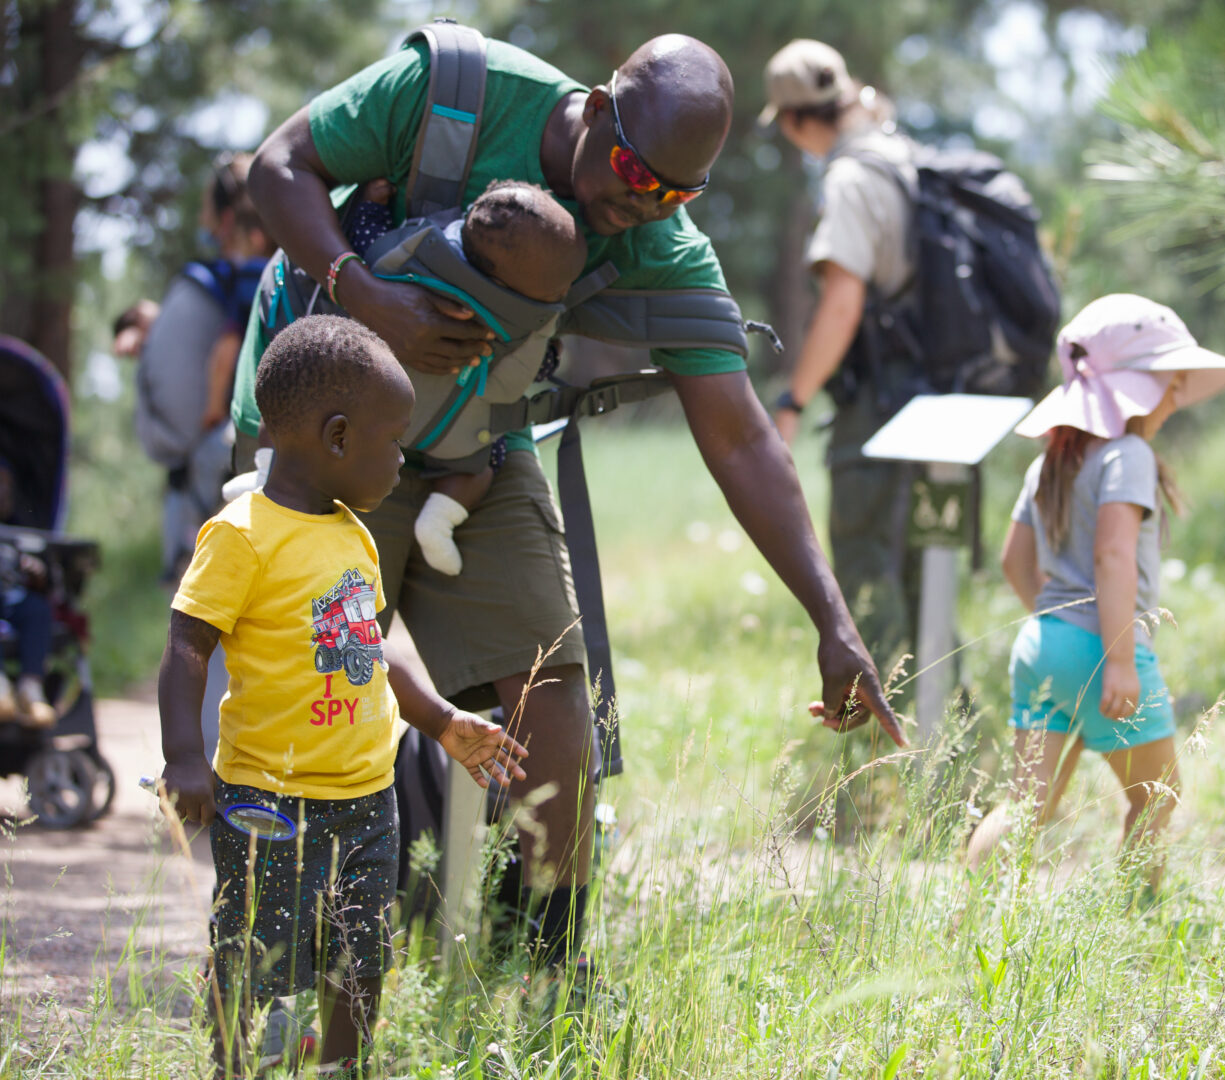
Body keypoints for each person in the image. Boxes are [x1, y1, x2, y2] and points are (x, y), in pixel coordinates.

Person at [232, 30, 903, 971]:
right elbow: (277, 166)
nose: (644, 203)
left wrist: (831, 620)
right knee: (319, 693)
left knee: (557, 715)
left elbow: (742, 436)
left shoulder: (656, 240)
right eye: (633, 171)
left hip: (478, 443)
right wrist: (365, 292)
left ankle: (534, 984)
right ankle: (276, 968)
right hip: (326, 435)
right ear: (595, 108)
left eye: (676, 192)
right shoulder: (454, 89)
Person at [158, 315, 529, 1076]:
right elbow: (186, 646)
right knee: (254, 950)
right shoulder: (242, 534)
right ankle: (232, 1064)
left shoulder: (353, 534)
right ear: (336, 437)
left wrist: (440, 720)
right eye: (393, 440)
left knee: (360, 956)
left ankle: (342, 1069)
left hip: (367, 795)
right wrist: (185, 758)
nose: (402, 457)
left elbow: (369, 651)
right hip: (269, 796)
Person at [964, 295, 1225, 895]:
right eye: (1170, 378)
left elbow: (1013, 560)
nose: (1177, 392)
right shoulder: (1130, 455)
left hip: (1042, 643)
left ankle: (965, 919)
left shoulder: (1051, 463)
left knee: (1026, 805)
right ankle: (1134, 921)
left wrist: (1057, 628)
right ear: (1137, 389)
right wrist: (1118, 658)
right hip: (1104, 649)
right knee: (1157, 796)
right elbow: (1113, 555)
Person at [759, 40, 921, 671]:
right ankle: (947, 716)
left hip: (880, 400)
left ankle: (879, 719)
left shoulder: (850, 179)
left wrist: (793, 399)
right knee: (925, 563)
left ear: (797, 120)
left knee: (866, 563)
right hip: (938, 390)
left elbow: (841, 307)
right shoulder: (904, 154)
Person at [338, 176, 588, 575]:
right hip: (457, 438)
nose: (561, 294)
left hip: (368, 421)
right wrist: (552, 356)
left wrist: (371, 207)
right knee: (486, 462)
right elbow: (519, 382)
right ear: (509, 283)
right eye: (556, 288)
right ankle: (439, 519)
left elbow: (367, 243)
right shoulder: (524, 326)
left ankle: (271, 469)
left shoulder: (418, 254)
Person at [137, 154, 275, 581]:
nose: (202, 219)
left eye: (205, 208)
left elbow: (227, 350)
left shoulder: (247, 280)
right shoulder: (278, 274)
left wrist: (214, 409)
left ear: (230, 218)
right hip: (239, 453)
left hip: (224, 450)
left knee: (203, 579)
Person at [0, 458, 55, 729]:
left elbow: (47, 577)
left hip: (14, 601)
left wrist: (37, 573)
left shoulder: (20, 528)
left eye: (6, 485)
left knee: (38, 610)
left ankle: (30, 690)